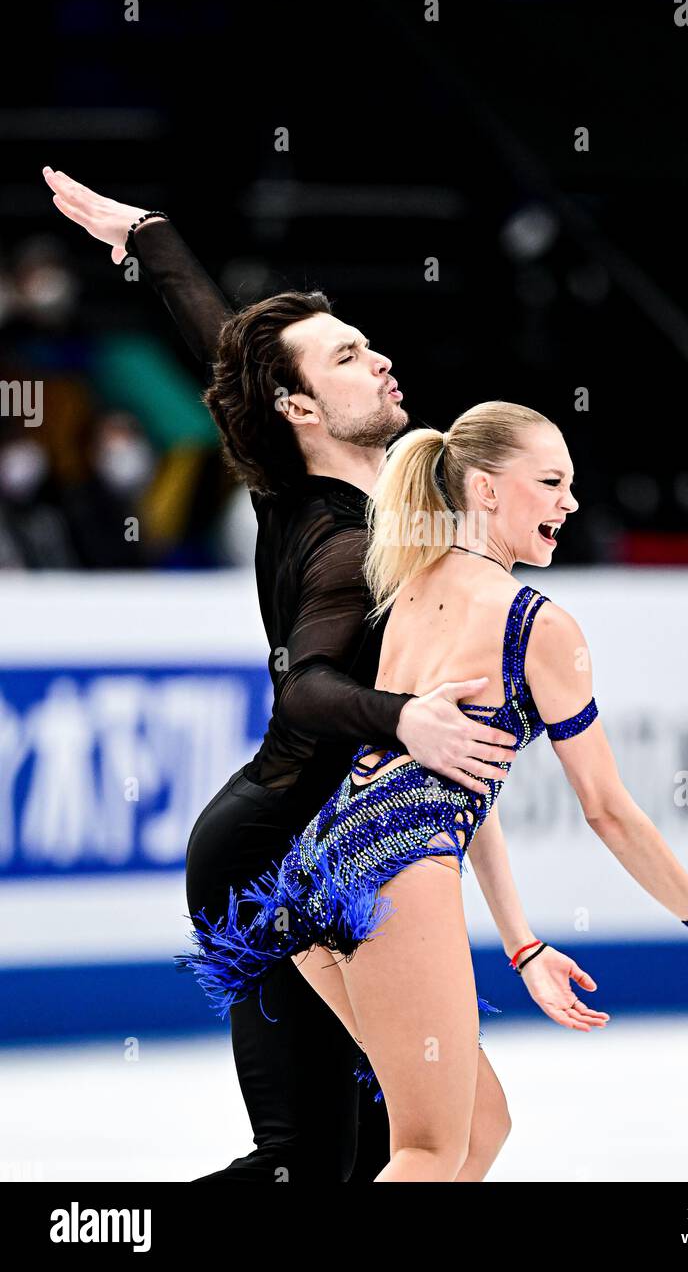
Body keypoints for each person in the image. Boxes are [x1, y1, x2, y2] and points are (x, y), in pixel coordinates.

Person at [41, 166, 529, 1184]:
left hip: (320, 847)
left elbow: (227, 344)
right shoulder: (338, 541)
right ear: (304, 405)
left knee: (444, 1134)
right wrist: (407, 719)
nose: (382, 358)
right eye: (350, 355)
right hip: (271, 858)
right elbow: (307, 686)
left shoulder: (291, 471)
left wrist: (150, 238)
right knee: (321, 1154)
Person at [176, 400, 688, 1182]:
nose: (569, 503)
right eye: (549, 482)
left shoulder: (410, 582)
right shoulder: (541, 627)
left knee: (480, 1125)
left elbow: (460, 787)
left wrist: (523, 941)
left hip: (316, 869)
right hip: (392, 875)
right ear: (481, 488)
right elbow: (608, 810)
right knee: (428, 1149)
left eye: (570, 485)